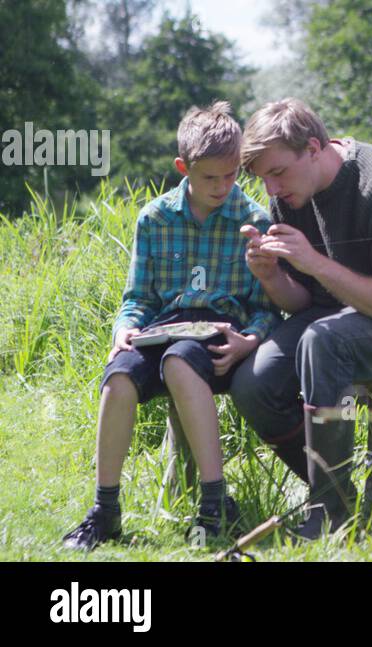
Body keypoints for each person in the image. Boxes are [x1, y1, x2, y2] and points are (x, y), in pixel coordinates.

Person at [230, 98, 372, 540]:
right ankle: (340, 495)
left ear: (313, 147)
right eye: (262, 180)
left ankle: (330, 518)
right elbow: (303, 302)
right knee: (253, 384)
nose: (271, 191)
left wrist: (314, 262)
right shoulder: (291, 194)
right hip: (332, 317)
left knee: (322, 339)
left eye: (277, 173)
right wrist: (272, 276)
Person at [62, 101, 280, 551]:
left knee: (181, 363)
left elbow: (266, 305)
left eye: (231, 175)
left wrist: (250, 340)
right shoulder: (155, 218)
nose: (222, 186)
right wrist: (124, 328)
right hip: (163, 326)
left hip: (221, 332)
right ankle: (106, 510)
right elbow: (139, 297)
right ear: (183, 167)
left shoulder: (257, 220)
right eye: (209, 178)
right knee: (118, 376)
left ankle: (213, 505)